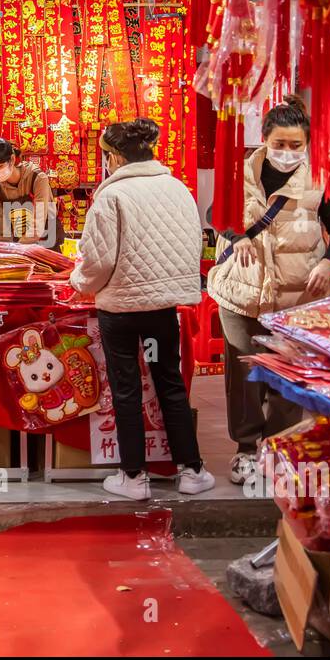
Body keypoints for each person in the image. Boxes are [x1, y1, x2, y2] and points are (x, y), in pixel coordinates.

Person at [209, 95, 330, 485]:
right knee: (244, 373)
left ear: (306, 144)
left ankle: (278, 449)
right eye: (279, 144)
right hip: (242, 292)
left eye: (295, 145)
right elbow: (213, 214)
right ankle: (245, 449)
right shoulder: (238, 174)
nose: (287, 153)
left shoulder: (318, 180)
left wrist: (327, 262)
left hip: (295, 298)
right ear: (264, 140)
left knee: (287, 377)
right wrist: (234, 235)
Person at [70, 118, 213, 501]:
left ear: (114, 157)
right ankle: (193, 470)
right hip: (163, 308)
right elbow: (192, 245)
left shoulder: (111, 196)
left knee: (127, 388)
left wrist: (78, 284)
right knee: (170, 383)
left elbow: (97, 262)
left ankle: (133, 476)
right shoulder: (177, 188)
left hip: (120, 309)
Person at [0, 137, 64, 249]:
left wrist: (18, 249)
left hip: (48, 242)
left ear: (12, 159)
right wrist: (4, 252)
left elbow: (38, 223)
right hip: (19, 246)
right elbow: (1, 230)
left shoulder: (37, 178)